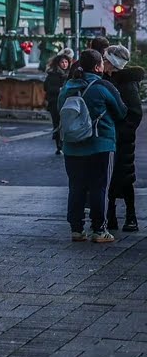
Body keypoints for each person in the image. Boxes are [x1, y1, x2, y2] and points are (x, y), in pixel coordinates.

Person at [58, 49, 126, 243]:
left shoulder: (67, 87)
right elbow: (121, 112)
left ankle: (76, 230)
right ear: (98, 67)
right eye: (102, 63)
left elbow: (59, 111)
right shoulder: (103, 86)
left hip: (71, 146)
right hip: (100, 145)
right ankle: (99, 230)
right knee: (99, 188)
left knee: (76, 187)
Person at [104, 45, 142, 232]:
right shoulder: (105, 79)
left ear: (113, 62)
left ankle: (131, 216)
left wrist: (120, 131)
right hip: (109, 136)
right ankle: (110, 217)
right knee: (108, 178)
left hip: (122, 139)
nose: (103, 63)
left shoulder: (127, 82)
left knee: (125, 178)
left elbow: (135, 113)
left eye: (105, 60)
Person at [44, 49, 75, 156]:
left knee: (67, 124)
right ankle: (59, 145)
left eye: (66, 62)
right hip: (55, 103)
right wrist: (59, 90)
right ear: (58, 63)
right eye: (62, 62)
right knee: (57, 124)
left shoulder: (71, 74)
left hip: (68, 103)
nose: (64, 64)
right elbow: (47, 88)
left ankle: (66, 144)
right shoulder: (53, 74)